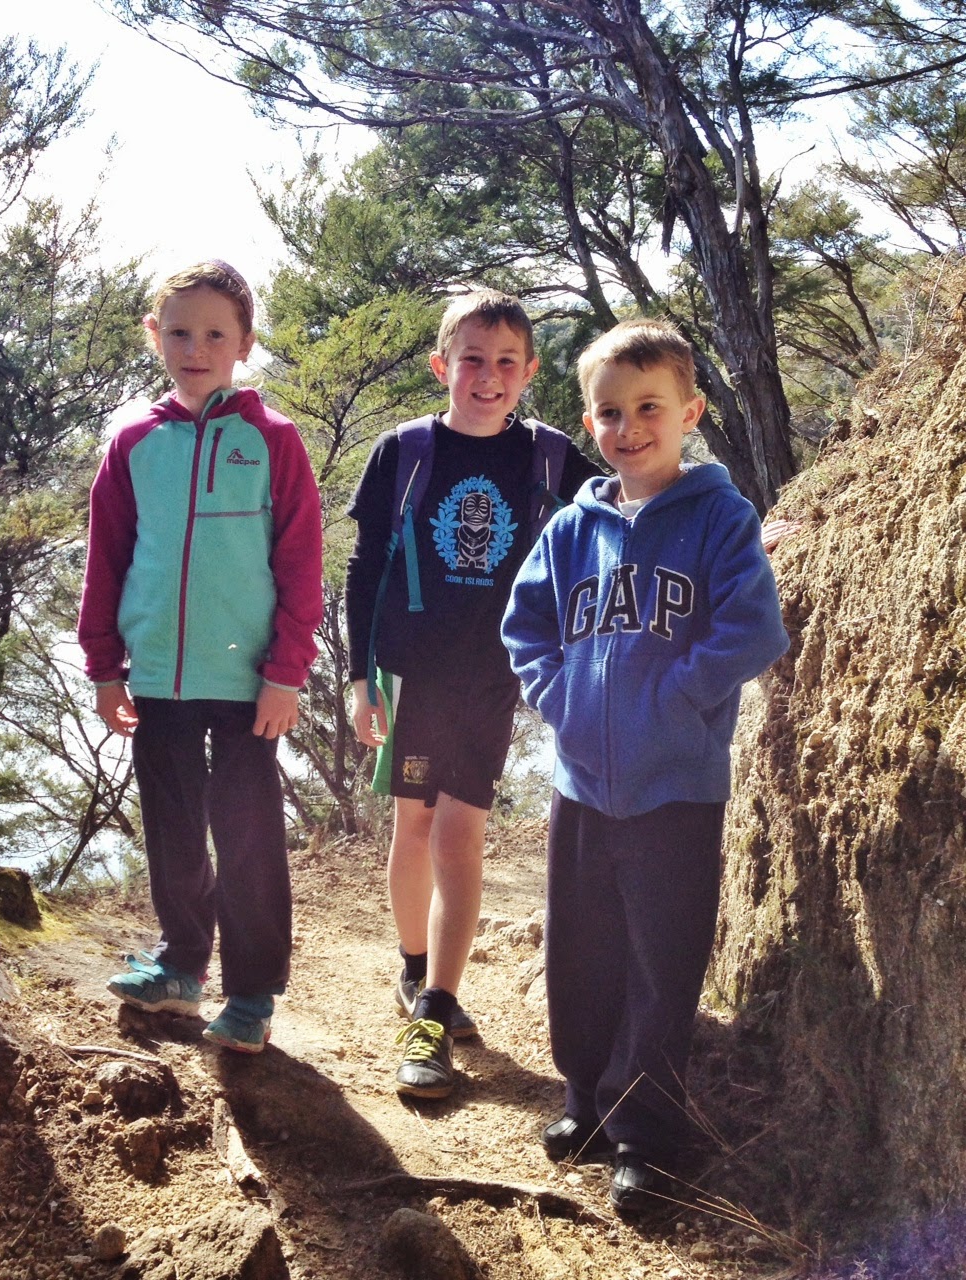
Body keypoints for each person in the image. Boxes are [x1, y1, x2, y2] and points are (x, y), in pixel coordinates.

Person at [500, 317, 789, 1216]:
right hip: (582, 786)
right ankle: (584, 1101)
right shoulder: (570, 530)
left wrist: (675, 699)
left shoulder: (720, 517)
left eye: (648, 407)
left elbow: (753, 629)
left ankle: (647, 1136)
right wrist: (562, 700)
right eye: (610, 411)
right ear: (591, 423)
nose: (629, 427)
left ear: (690, 411)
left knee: (662, 966)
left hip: (676, 791)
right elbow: (526, 628)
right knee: (582, 955)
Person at [345, 290, 603, 1100]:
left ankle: (436, 1009)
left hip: (496, 677)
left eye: (505, 363)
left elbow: (632, 501)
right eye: (471, 360)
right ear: (441, 366)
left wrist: (731, 525)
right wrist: (360, 678)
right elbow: (362, 570)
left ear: (529, 372)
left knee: (459, 834)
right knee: (413, 825)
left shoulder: (552, 458)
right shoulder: (404, 452)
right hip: (410, 672)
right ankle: (414, 967)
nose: (487, 377)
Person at [77, 260, 324, 1054]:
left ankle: (252, 993)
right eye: (179, 331)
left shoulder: (274, 440)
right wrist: (106, 667)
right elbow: (106, 558)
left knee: (249, 836)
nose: (196, 347)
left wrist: (288, 672)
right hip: (157, 677)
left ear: (245, 343)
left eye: (216, 333)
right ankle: (182, 967)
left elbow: (300, 563)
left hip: (251, 681)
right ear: (155, 336)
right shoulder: (133, 443)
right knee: (175, 831)